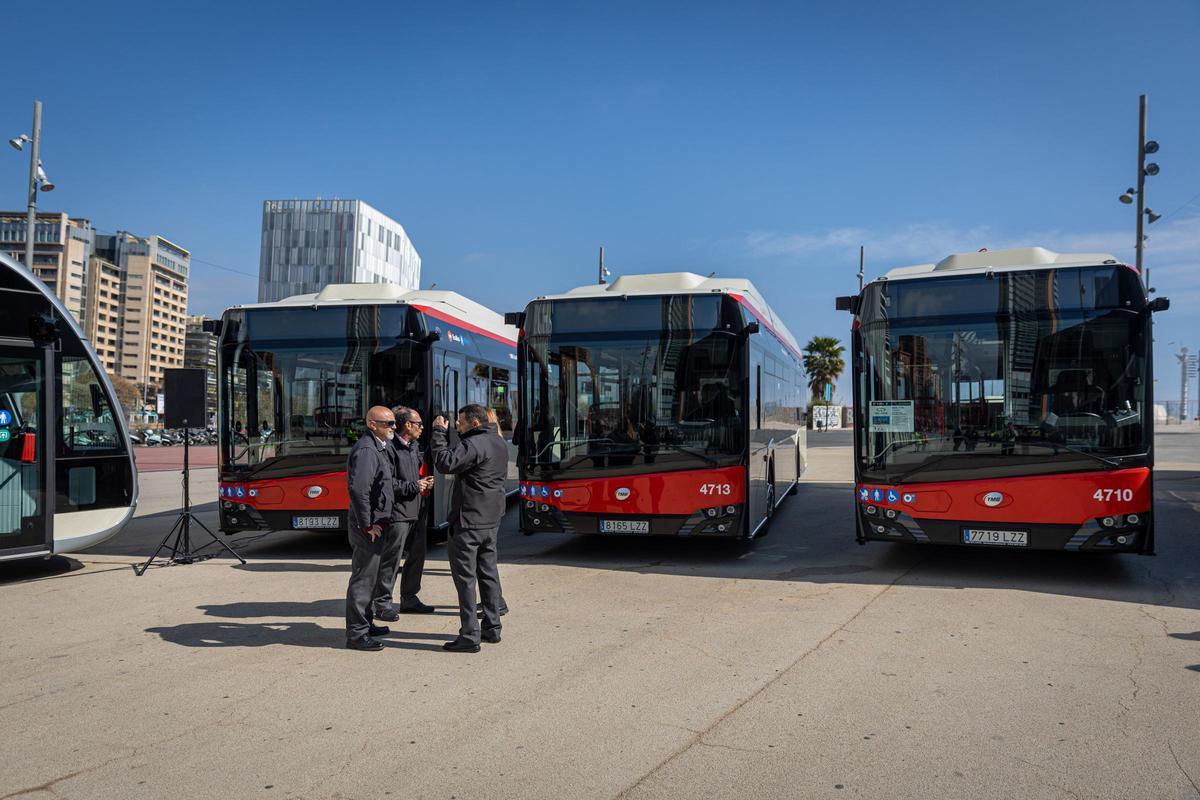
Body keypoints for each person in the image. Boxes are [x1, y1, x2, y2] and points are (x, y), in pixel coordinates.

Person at [431, 403, 508, 653]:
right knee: (488, 573)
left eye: (461, 421)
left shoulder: (473, 444)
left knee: (465, 579)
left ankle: (469, 634)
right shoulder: (497, 441)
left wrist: (438, 434)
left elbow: (445, 463)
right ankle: (492, 627)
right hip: (491, 519)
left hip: (468, 522)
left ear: (474, 423)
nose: (456, 425)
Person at [344, 406, 400, 652]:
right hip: (368, 526)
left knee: (372, 576)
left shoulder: (379, 447)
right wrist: (367, 524)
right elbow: (359, 490)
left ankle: (366, 624)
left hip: (377, 523)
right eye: (388, 423)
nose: (393, 427)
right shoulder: (367, 450)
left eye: (394, 423)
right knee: (364, 579)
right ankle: (357, 635)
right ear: (372, 424)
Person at [374, 406, 436, 621]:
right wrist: (414, 486)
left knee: (417, 556)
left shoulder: (413, 445)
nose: (422, 428)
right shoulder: (389, 448)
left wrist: (423, 483)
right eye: (418, 424)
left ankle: (409, 597)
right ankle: (382, 603)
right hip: (397, 513)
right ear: (408, 425)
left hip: (416, 510)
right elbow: (387, 483)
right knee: (392, 558)